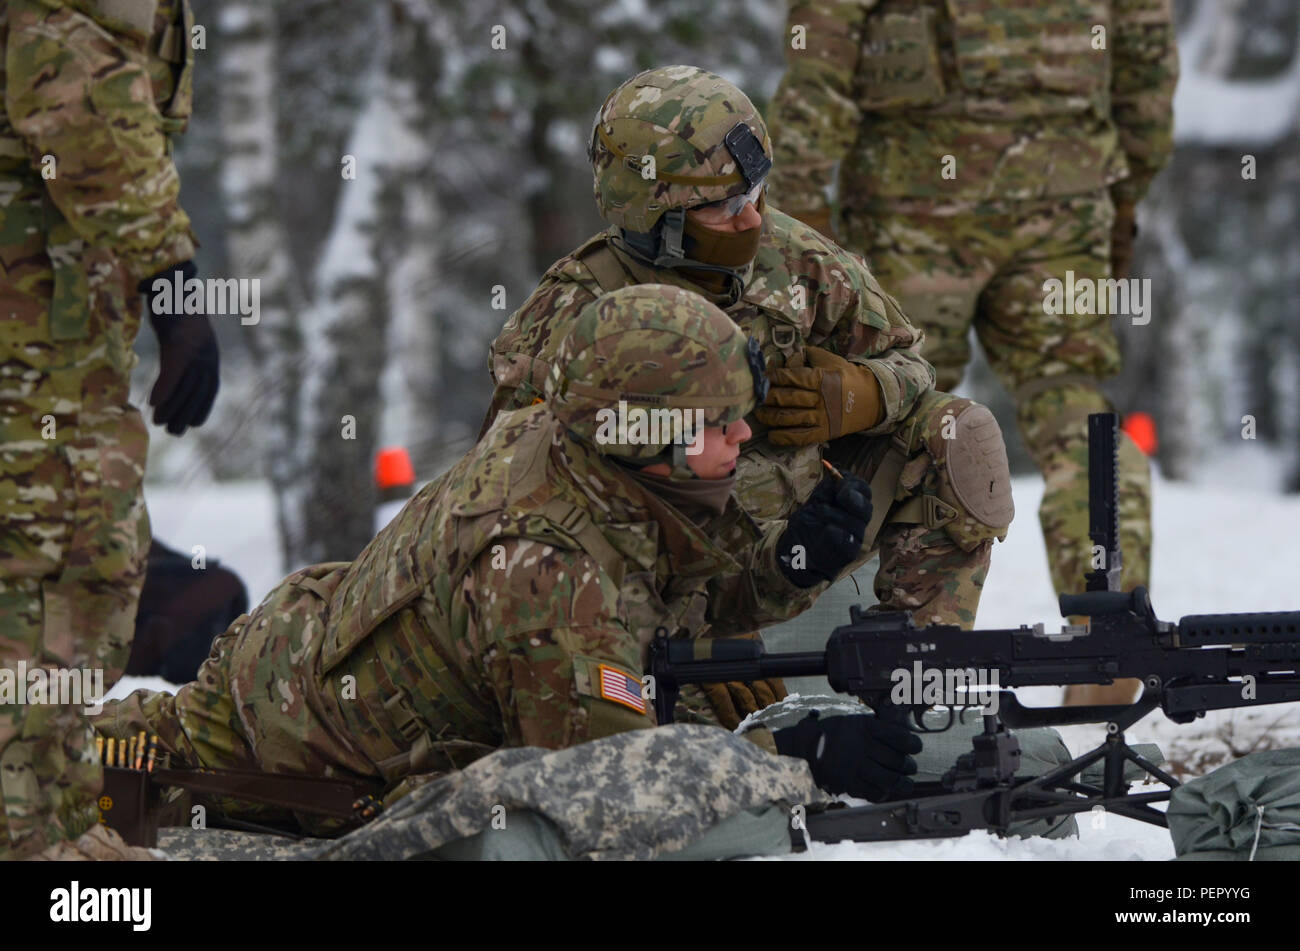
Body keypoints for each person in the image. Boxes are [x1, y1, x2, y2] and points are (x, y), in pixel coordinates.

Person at [94, 285, 921, 830]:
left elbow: (642, 575)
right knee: (80, 783)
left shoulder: (560, 435)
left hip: (297, 672)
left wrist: (787, 565)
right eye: (717, 423)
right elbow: (601, 793)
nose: (742, 436)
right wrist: (798, 760)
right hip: (273, 759)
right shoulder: (544, 574)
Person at [484, 65, 1014, 662]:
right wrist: (700, 640)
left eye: (757, 194)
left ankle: (911, 664)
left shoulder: (791, 258)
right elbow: (522, 517)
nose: (753, 219)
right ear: (659, 218)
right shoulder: (570, 320)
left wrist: (862, 394)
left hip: (815, 531)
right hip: (667, 592)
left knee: (957, 433)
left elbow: (909, 361)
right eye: (727, 205)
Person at [765, 1, 1178, 702]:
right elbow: (1146, 70)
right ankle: (1107, 633)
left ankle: (868, 653)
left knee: (894, 420)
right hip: (1063, 202)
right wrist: (1123, 195)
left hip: (912, 207)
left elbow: (822, 57)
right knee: (1076, 408)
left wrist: (803, 208)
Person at [1, 0, 219, 859]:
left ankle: (48, 832)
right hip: (30, 362)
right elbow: (81, 99)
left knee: (81, 572)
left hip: (58, 353)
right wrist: (175, 290)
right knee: (50, 573)